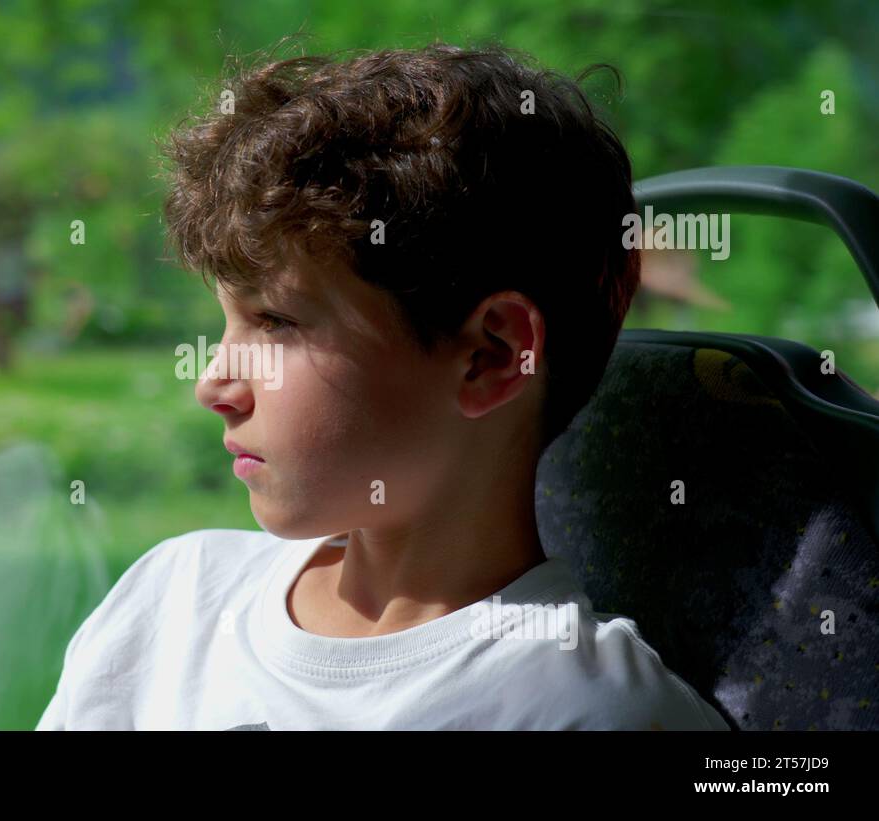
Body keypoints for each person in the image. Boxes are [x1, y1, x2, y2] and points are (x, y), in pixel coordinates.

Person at [36, 40, 729, 730]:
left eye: (275, 320)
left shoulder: (579, 706)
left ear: (492, 356)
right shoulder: (170, 601)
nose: (213, 383)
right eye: (227, 321)